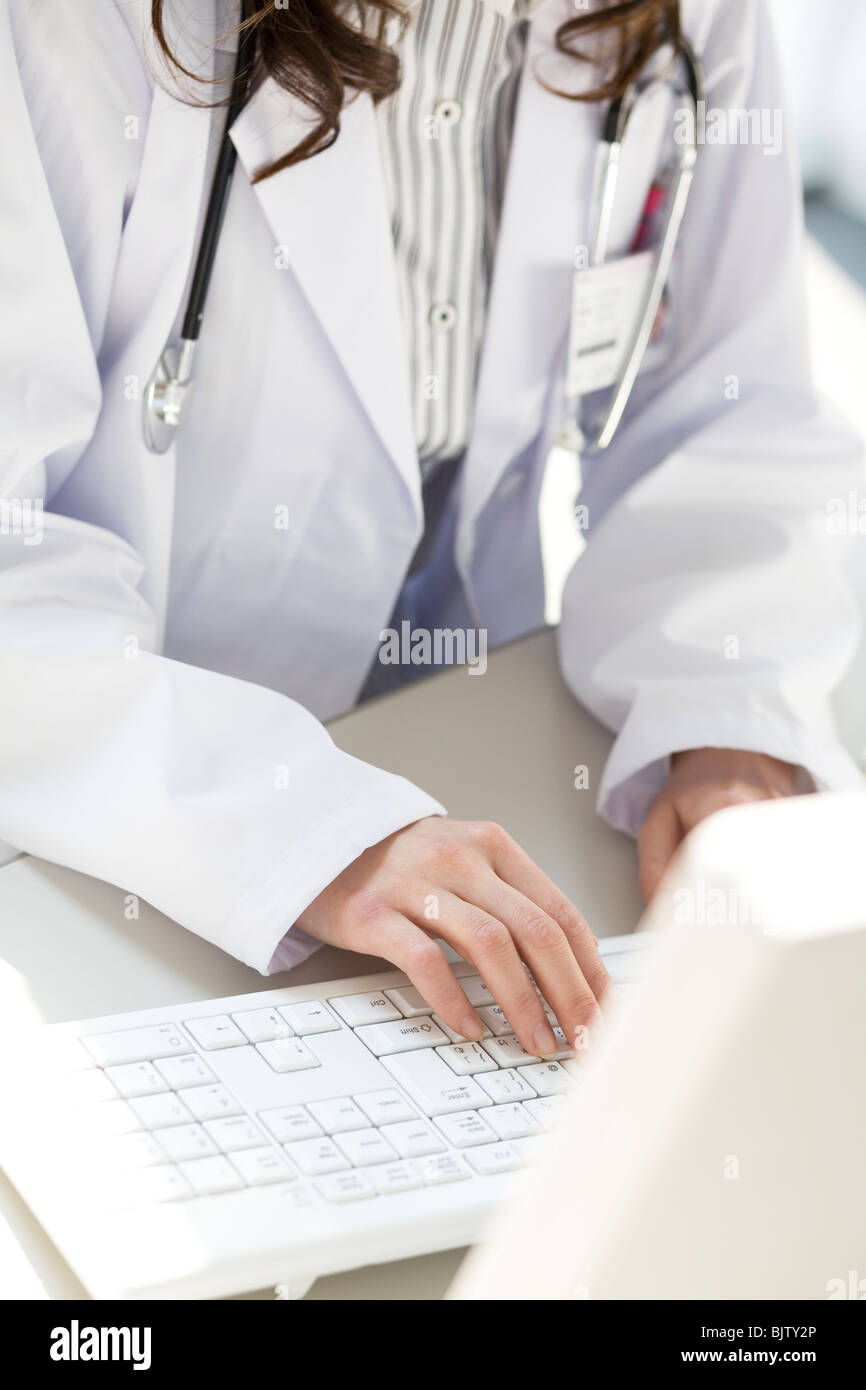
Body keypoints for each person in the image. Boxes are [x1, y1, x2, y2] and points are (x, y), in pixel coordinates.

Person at [1, 0, 861, 1059]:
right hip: (110, 811)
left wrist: (723, 714)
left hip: (463, 744)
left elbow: (721, 402)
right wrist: (299, 830)